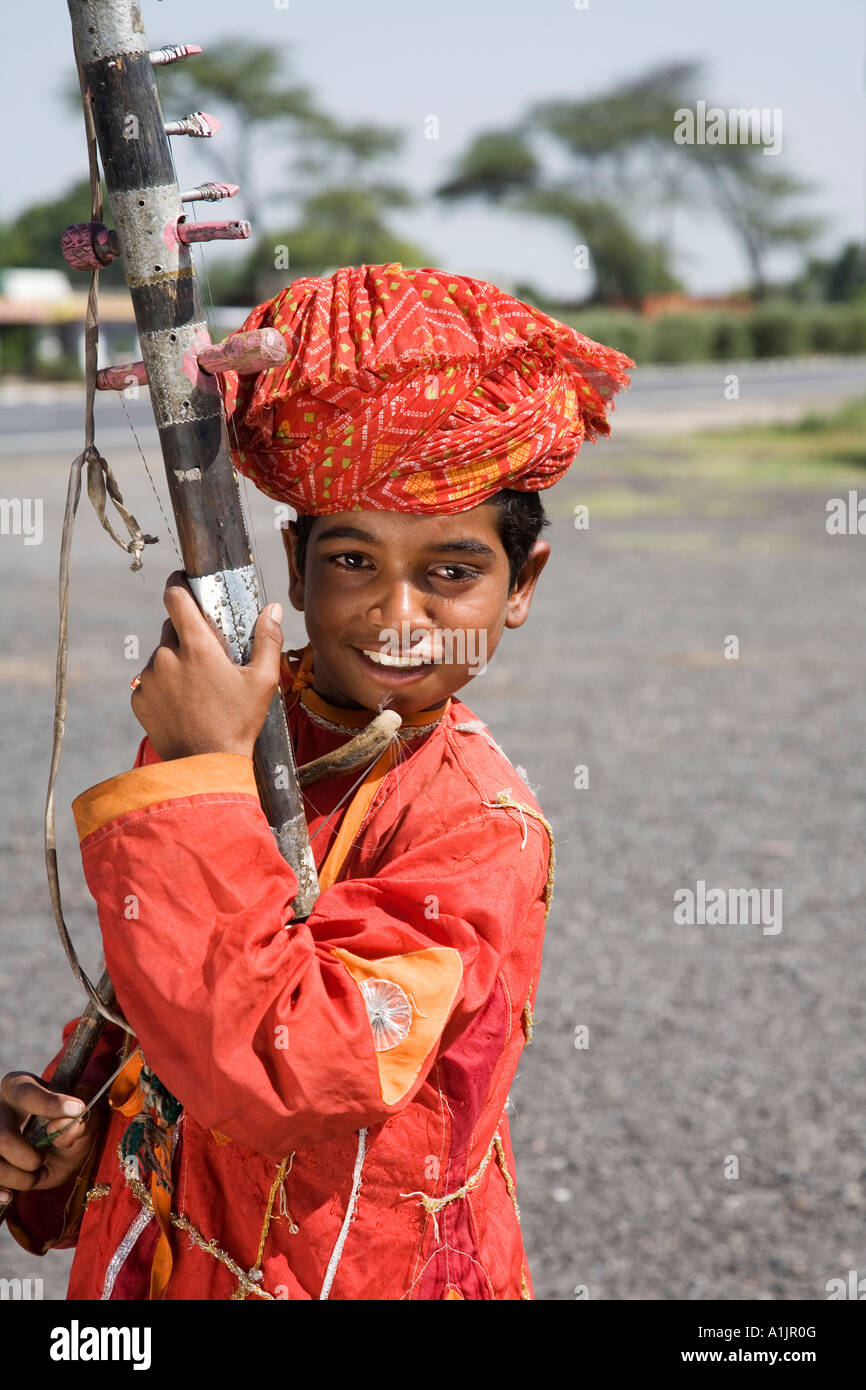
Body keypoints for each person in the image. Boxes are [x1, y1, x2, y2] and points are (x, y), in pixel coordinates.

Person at [1, 263, 632, 1299]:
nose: (396, 610)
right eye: (350, 562)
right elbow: (163, 985)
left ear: (522, 584)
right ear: (292, 566)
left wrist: (205, 772)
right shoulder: (241, 722)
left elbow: (292, 1067)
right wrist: (70, 1126)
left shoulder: (478, 824)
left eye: (450, 571)